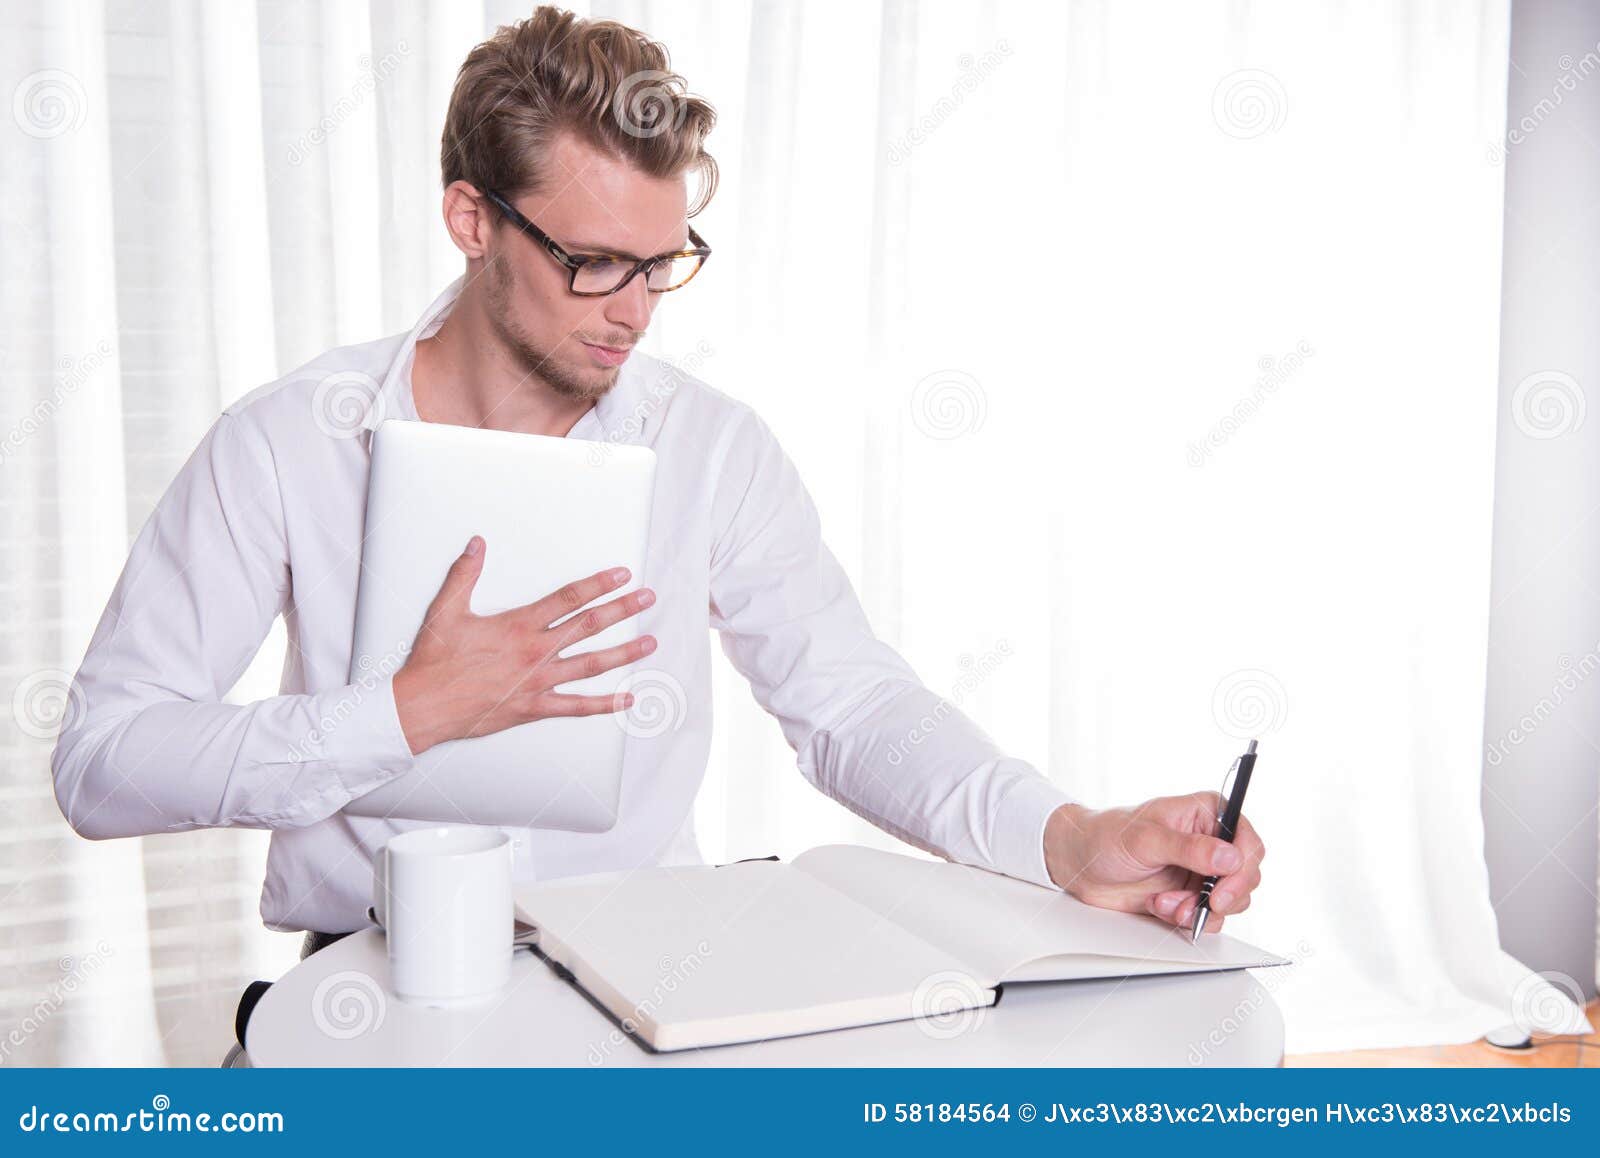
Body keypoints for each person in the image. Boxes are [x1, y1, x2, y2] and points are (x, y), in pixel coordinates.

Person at [51, 7, 1263, 957]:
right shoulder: (286, 442)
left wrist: (1070, 839)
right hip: (367, 983)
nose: (633, 311)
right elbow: (102, 764)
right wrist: (407, 713)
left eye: (660, 263)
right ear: (471, 220)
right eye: (590, 263)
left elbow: (849, 704)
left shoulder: (712, 449)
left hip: (644, 981)